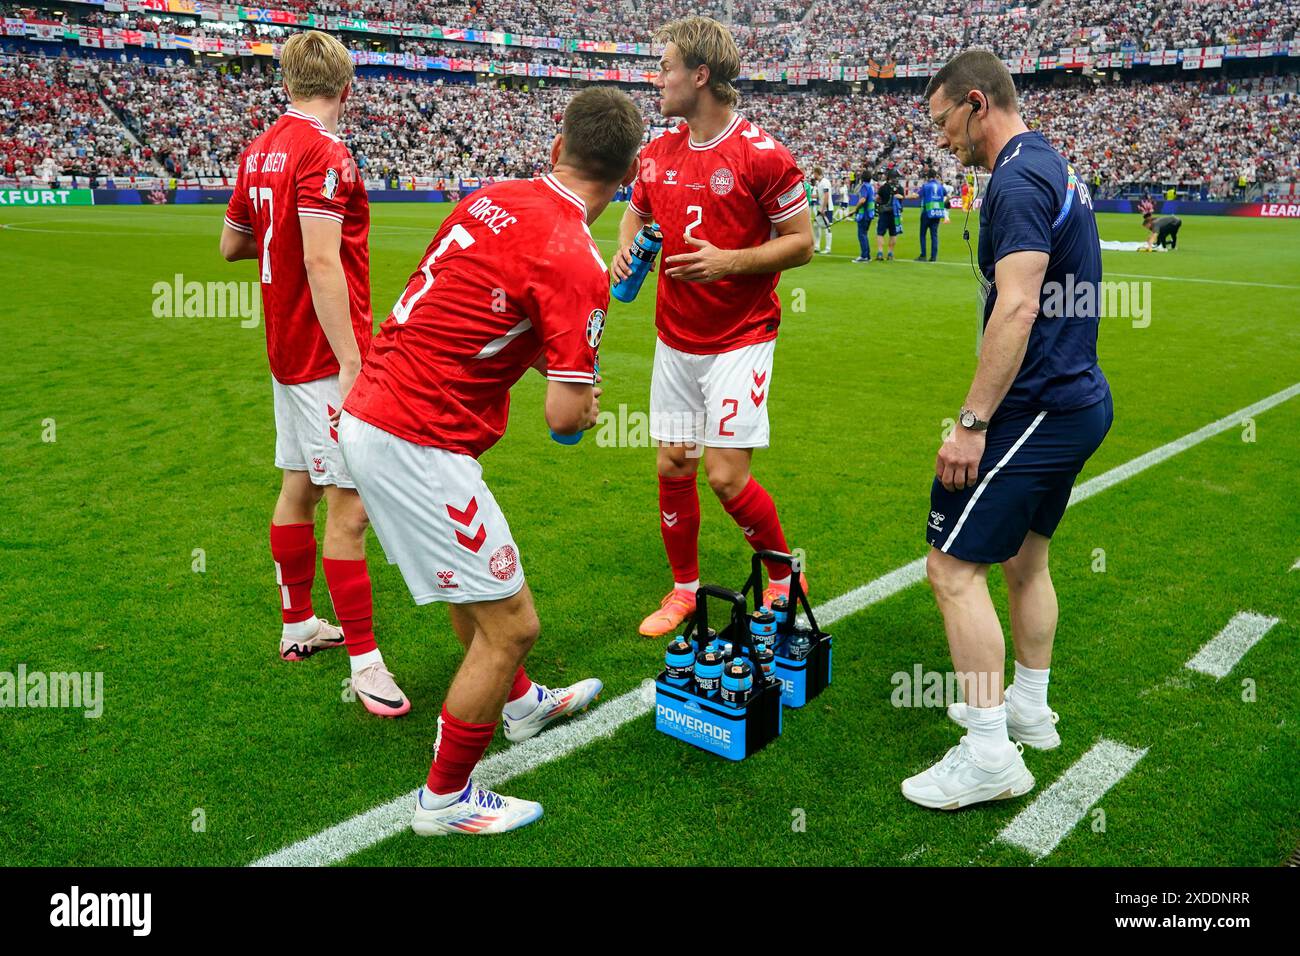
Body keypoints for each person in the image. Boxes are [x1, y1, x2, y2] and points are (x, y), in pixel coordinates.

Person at [337, 86, 642, 835]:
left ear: (555, 148)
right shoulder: (577, 257)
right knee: (512, 624)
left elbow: (480, 312)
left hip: (375, 410)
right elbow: (565, 423)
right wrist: (585, 403)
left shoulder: (491, 198)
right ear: (626, 178)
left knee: (470, 589)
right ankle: (444, 800)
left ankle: (520, 702)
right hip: (418, 437)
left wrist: (560, 364)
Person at [906, 49, 1113, 810]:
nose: (942, 139)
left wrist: (970, 424)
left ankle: (990, 754)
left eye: (943, 122)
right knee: (1029, 561)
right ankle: (1027, 708)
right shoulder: (1046, 161)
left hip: (1040, 407)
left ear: (975, 103)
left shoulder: (1019, 177)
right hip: (1077, 399)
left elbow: (1019, 307)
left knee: (952, 570)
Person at [219, 31, 410, 717]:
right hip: (324, 356)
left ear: (289, 83)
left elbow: (231, 244)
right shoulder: (326, 152)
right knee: (348, 507)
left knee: (297, 484)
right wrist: (354, 362)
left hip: (284, 348)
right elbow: (325, 263)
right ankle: (365, 664)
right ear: (347, 87)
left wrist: (278, 245)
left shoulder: (261, 147)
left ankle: (298, 621)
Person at [611, 16, 814, 638]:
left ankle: (784, 576)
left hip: (742, 336)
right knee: (674, 464)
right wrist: (625, 249)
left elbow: (802, 244)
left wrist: (729, 262)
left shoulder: (762, 155)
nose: (659, 78)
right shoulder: (657, 152)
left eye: (667, 66)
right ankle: (683, 590)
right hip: (675, 338)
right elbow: (636, 214)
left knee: (724, 474)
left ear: (700, 76)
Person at [916, 165, 945, 261]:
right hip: (937, 212)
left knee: (922, 234)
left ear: (928, 176)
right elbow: (947, 195)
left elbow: (917, 195)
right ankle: (933, 257)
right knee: (934, 235)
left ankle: (923, 255)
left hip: (927, 212)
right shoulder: (940, 186)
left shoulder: (926, 186)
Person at [875, 168, 901, 260]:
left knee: (880, 233)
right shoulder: (899, 188)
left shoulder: (883, 187)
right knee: (893, 234)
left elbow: (877, 198)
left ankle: (880, 252)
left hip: (884, 213)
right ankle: (890, 253)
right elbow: (902, 199)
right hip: (895, 214)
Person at [852, 168, 876, 262]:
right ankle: (867, 255)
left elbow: (862, 200)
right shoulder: (870, 186)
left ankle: (864, 256)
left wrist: (855, 209)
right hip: (869, 214)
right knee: (864, 234)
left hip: (864, 214)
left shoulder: (864, 187)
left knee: (861, 234)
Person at [813, 165, 834, 254]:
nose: (813, 175)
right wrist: (809, 196)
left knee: (827, 227)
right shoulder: (820, 183)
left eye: (814, 173)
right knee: (815, 225)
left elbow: (826, 195)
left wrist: (823, 209)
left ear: (817, 173)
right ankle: (817, 246)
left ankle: (828, 248)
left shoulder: (825, 182)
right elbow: (819, 195)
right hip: (822, 208)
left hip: (826, 208)